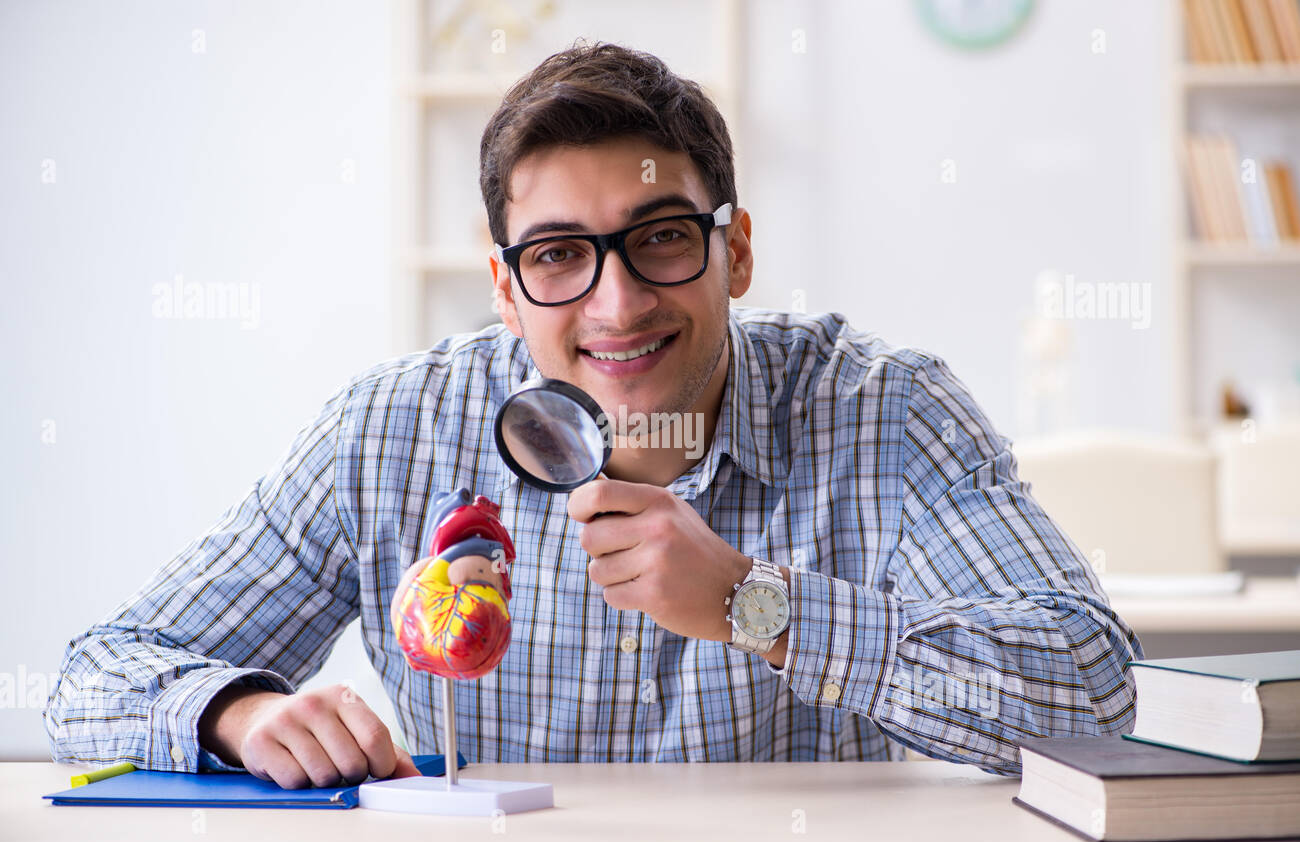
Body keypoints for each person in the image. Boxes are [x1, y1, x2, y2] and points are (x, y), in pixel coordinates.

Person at [45, 41, 1142, 788]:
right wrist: (235, 713)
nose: (617, 304)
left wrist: (753, 607)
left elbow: (1090, 700)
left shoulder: (883, 411)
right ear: (503, 285)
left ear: (737, 249)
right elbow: (99, 674)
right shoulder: (390, 432)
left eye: (661, 237)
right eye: (559, 256)